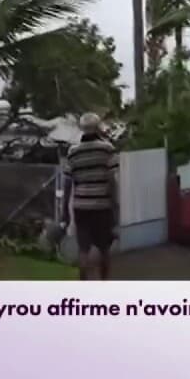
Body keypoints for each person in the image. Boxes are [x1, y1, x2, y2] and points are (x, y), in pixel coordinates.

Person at [61, 112, 119, 280]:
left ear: (81, 128)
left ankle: (84, 285)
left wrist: (65, 209)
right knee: (104, 249)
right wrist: (115, 206)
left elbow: (67, 184)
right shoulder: (107, 149)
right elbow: (112, 181)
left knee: (84, 249)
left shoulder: (73, 152)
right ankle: (103, 283)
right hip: (102, 206)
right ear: (98, 127)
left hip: (81, 207)